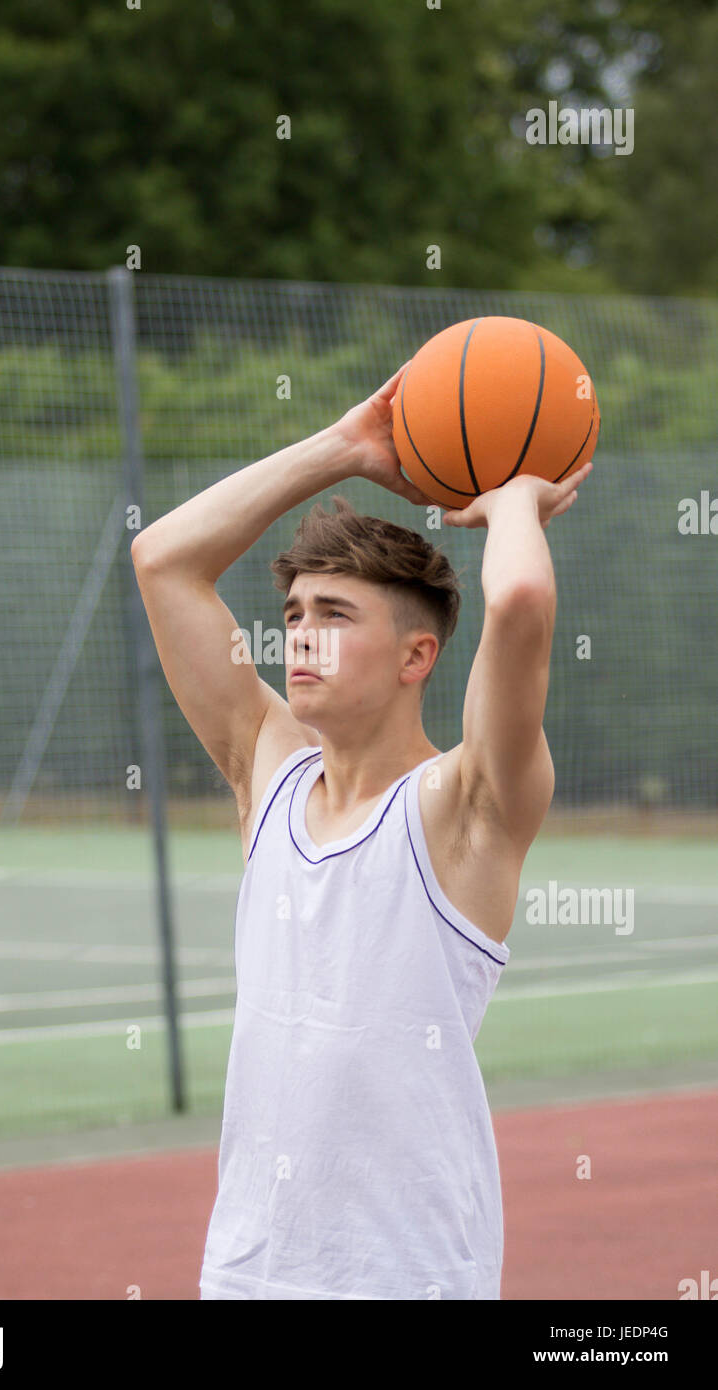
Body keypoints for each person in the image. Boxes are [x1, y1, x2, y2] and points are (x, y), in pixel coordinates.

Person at [130, 362, 592, 1300]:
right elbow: (163, 560)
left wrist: (512, 504)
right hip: (249, 1273)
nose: (300, 637)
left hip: (407, 1278)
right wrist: (346, 448)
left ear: (418, 655)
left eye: (334, 616)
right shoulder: (271, 769)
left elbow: (520, 604)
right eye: (293, 614)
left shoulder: (463, 809)